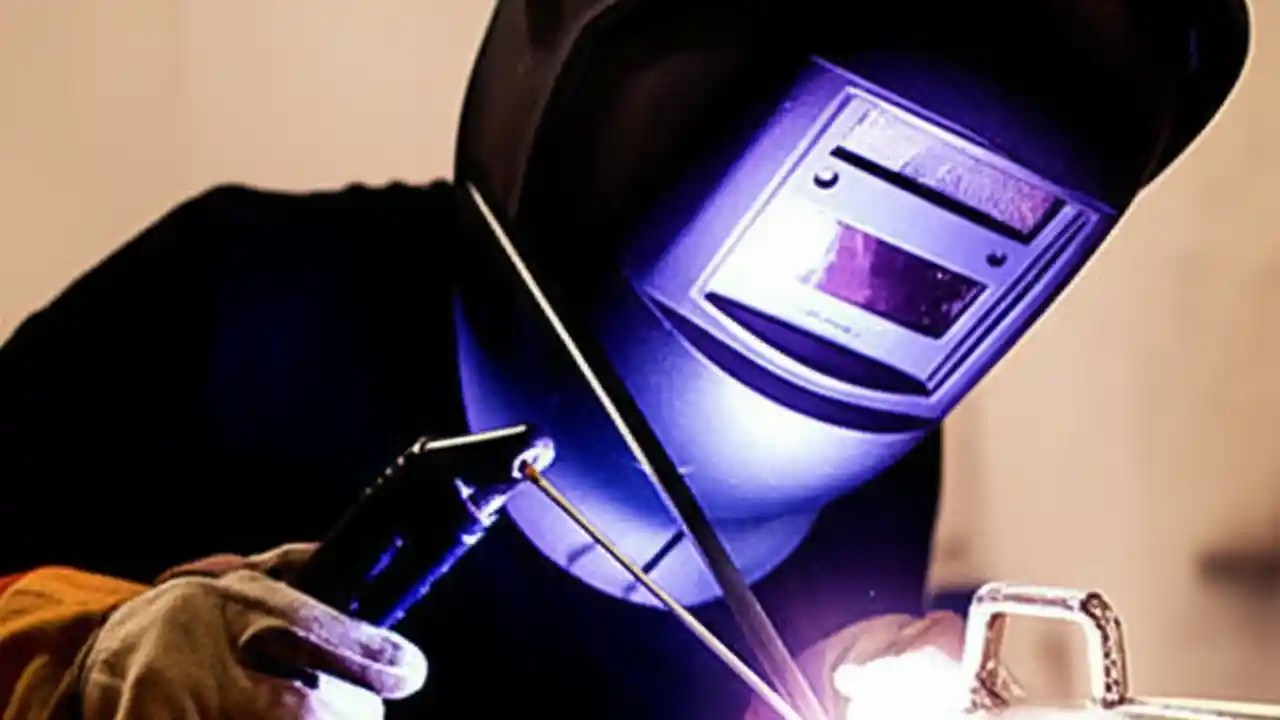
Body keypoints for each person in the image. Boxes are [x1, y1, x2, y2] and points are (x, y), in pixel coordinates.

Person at [0, 0, 1247, 718]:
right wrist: (89, 670)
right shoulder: (232, 300)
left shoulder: (873, 471)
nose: (869, 290)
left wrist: (840, 674)